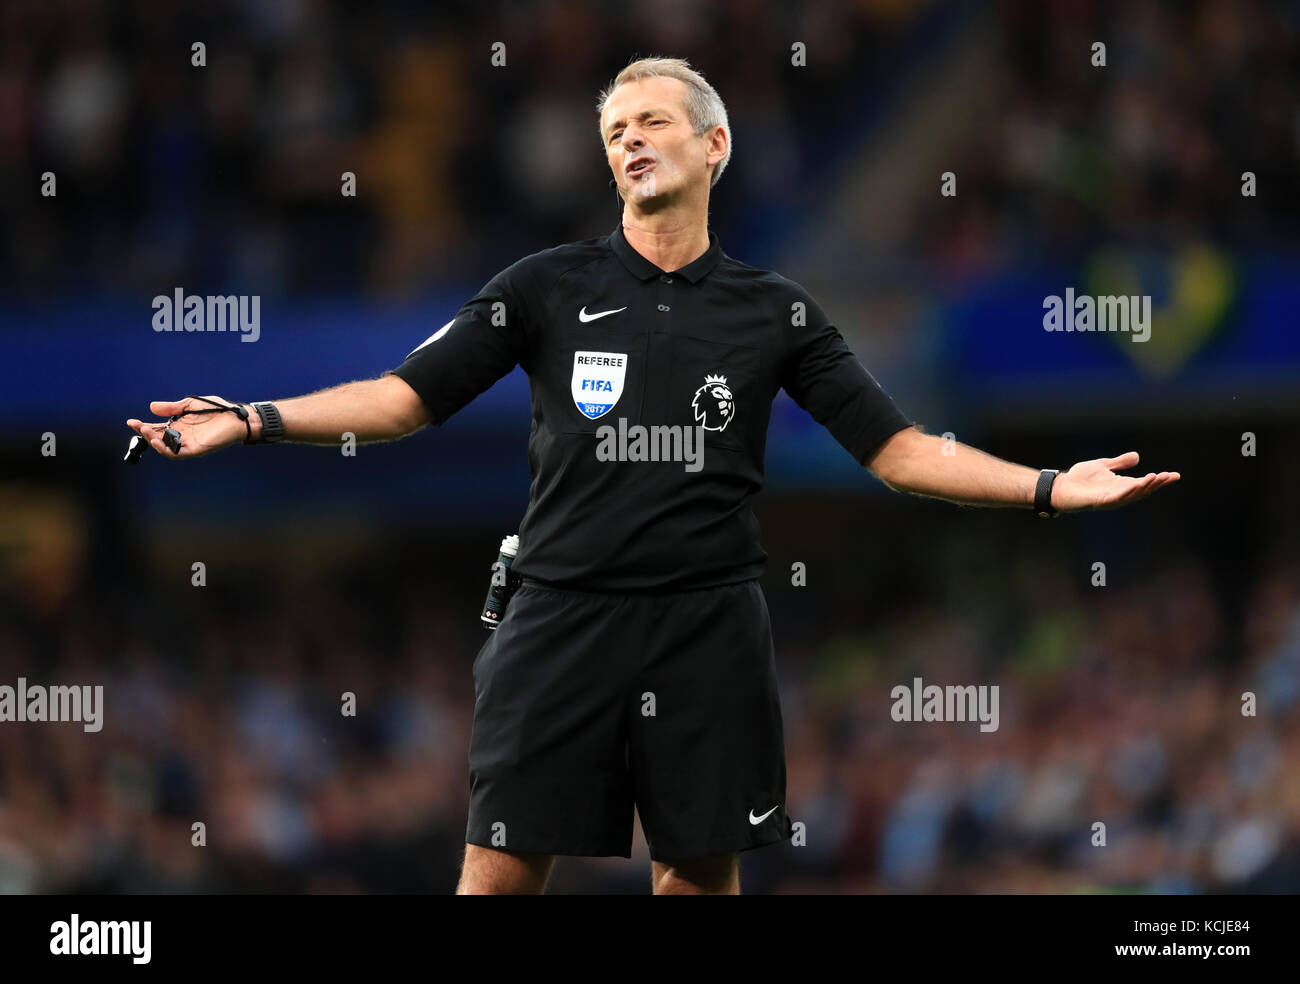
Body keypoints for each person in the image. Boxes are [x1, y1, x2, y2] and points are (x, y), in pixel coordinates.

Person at [127, 56, 1179, 895]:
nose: (628, 138)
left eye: (651, 121)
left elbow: (898, 451)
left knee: (696, 872)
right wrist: (254, 418)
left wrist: (1047, 485)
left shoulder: (776, 311)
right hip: (557, 616)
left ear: (713, 145)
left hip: (705, 625)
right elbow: (405, 397)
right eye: (614, 130)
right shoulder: (543, 286)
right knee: (497, 868)